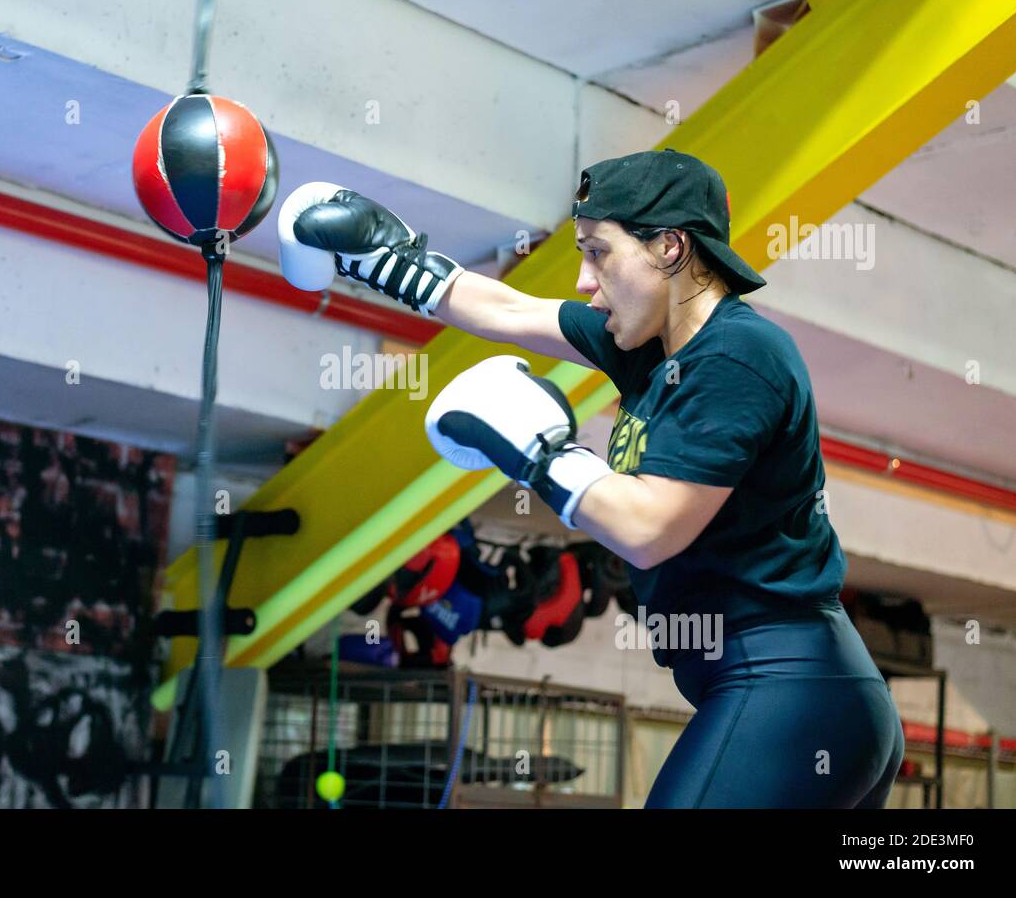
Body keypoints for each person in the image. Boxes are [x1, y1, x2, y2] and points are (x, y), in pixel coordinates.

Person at [275, 149, 905, 808]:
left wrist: (541, 455)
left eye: (598, 252)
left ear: (669, 247)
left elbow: (648, 527)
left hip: (788, 687)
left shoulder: (738, 352)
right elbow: (508, 310)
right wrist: (382, 258)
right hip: (802, 696)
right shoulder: (647, 348)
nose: (583, 279)